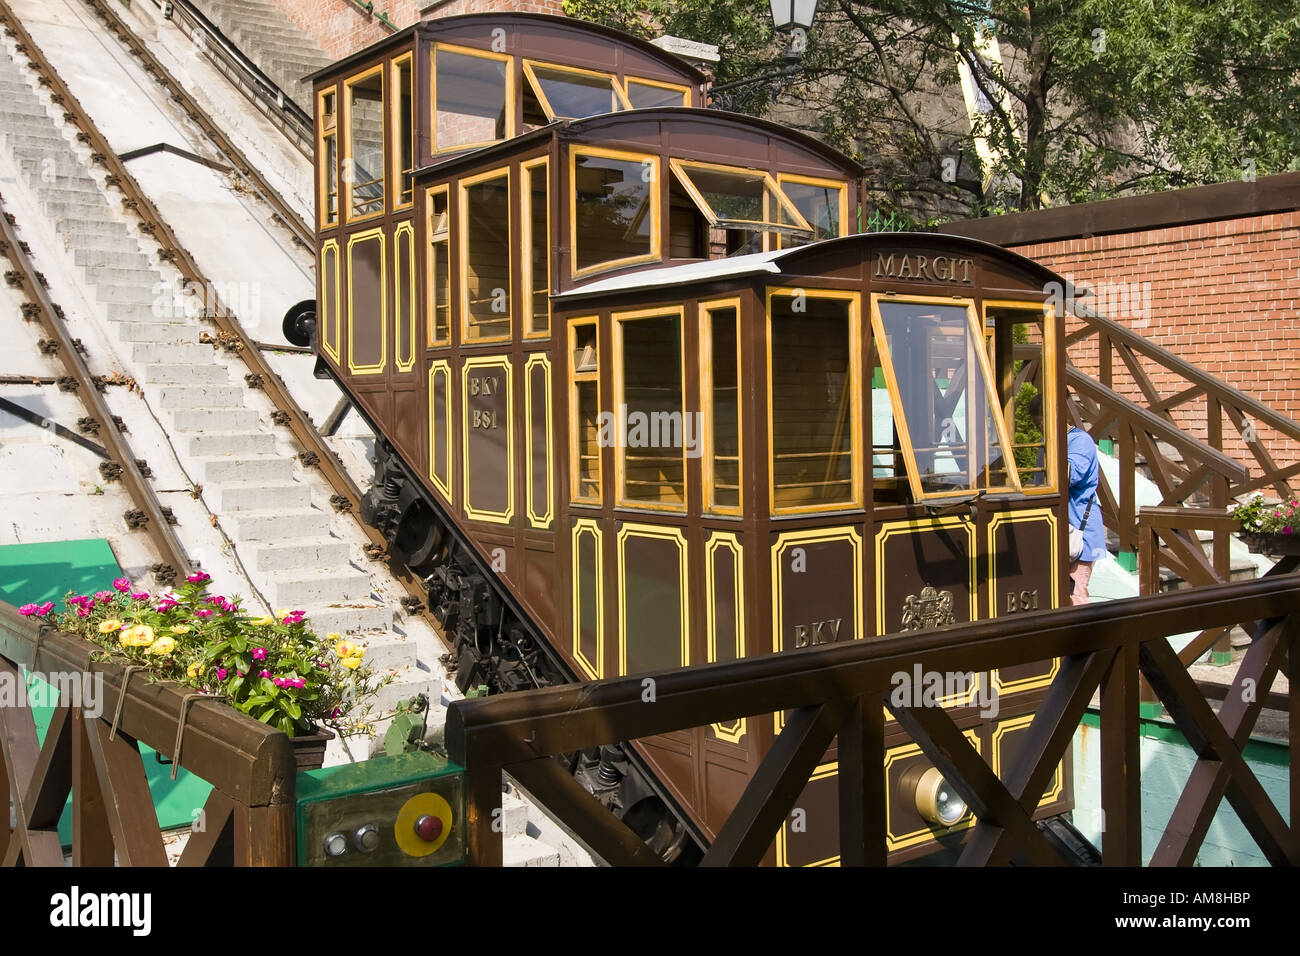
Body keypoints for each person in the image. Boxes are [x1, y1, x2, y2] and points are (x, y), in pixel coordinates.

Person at [1065, 420, 1105, 605]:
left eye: (1040, 421)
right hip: (1067, 530)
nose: (1039, 427)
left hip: (1081, 530)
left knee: (1076, 595)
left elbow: (1070, 474)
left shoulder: (1080, 441)